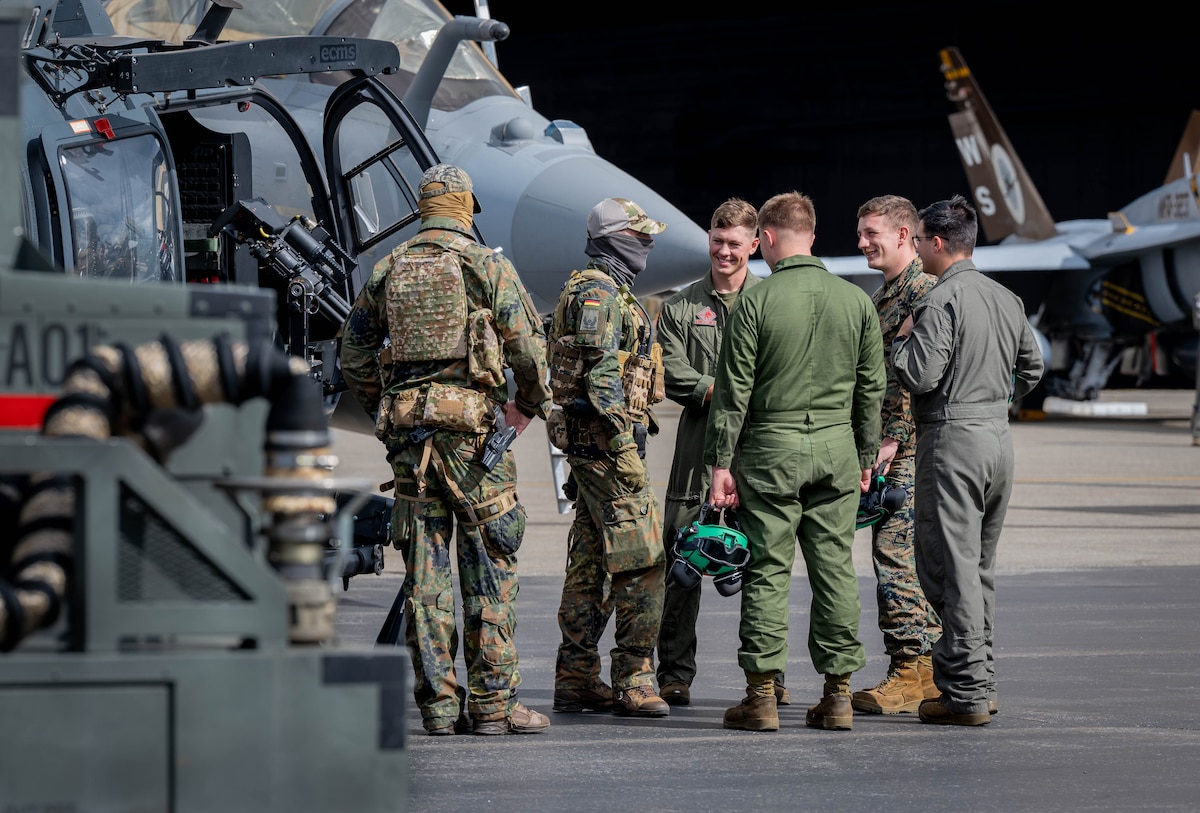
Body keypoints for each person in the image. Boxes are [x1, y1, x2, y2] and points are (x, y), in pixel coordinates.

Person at [339, 163, 553, 737]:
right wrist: (526, 407)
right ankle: (493, 707)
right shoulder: (486, 265)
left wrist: (389, 410)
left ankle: (437, 707)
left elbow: (354, 356)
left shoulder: (388, 268)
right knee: (490, 567)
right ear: (465, 207)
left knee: (425, 578)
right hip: (474, 444)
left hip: (411, 447)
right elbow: (529, 353)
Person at [705, 191, 885, 732]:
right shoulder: (856, 301)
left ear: (766, 238)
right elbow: (871, 389)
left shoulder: (755, 303)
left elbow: (733, 392)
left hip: (770, 454)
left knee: (767, 571)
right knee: (835, 570)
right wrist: (866, 455)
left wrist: (720, 463)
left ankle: (761, 697)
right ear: (812, 235)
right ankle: (838, 696)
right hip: (836, 452)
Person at [892, 194, 1044, 726]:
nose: (916, 251)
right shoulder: (1007, 298)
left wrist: (902, 342)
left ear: (937, 243)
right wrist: (991, 403)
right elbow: (1031, 368)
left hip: (952, 442)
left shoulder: (939, 301)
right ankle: (984, 681)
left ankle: (966, 694)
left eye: (919, 242)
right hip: (997, 440)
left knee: (948, 569)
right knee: (979, 568)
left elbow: (921, 375)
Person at [655, 198, 791, 707]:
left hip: (758, 452)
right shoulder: (680, 307)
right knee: (682, 562)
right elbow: (671, 372)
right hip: (697, 454)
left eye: (735, 243)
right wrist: (727, 391)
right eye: (718, 240)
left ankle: (768, 675)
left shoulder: (773, 301)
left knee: (763, 567)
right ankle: (674, 674)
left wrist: (735, 395)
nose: (725, 251)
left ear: (755, 244)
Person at [547, 197, 671, 719]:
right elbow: (601, 377)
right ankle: (634, 679)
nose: (648, 243)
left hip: (593, 450)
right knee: (643, 563)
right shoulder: (599, 293)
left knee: (591, 562)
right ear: (613, 239)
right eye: (639, 235)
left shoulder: (602, 289)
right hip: (606, 452)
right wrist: (623, 448)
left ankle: (576, 677)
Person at [849, 195, 943, 715]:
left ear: (904, 235)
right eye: (861, 232)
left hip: (906, 449)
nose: (862, 242)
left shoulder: (922, 292)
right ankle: (929, 670)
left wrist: (893, 438)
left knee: (895, 557)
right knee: (901, 556)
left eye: (872, 233)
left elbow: (921, 373)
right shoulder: (886, 295)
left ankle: (911, 671)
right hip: (891, 446)